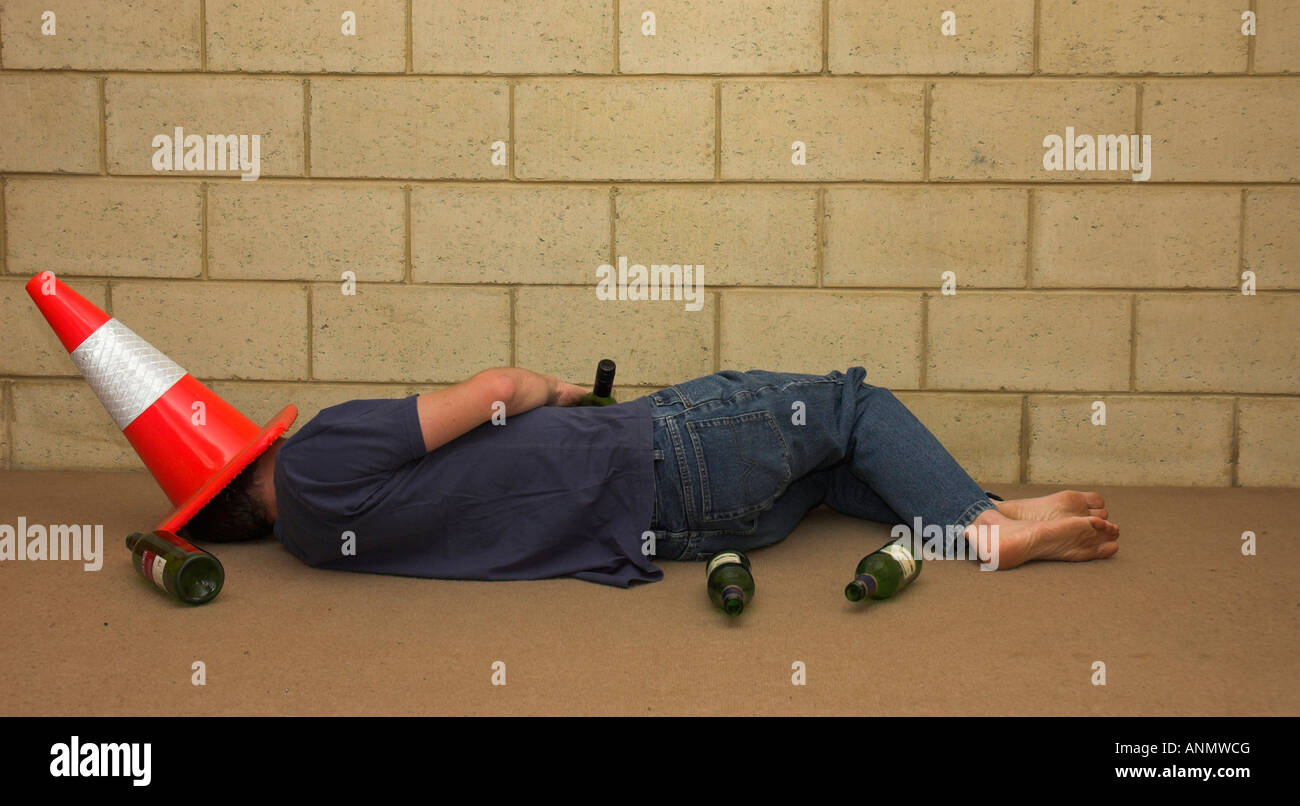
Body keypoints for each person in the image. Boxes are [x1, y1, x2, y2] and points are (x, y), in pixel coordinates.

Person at [181, 366, 1119, 586]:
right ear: (250, 455)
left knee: (830, 475)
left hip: (670, 535)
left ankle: (988, 509)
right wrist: (550, 387)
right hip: (661, 452)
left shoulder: (307, 543)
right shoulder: (314, 458)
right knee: (845, 412)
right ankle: (978, 529)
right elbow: (493, 392)